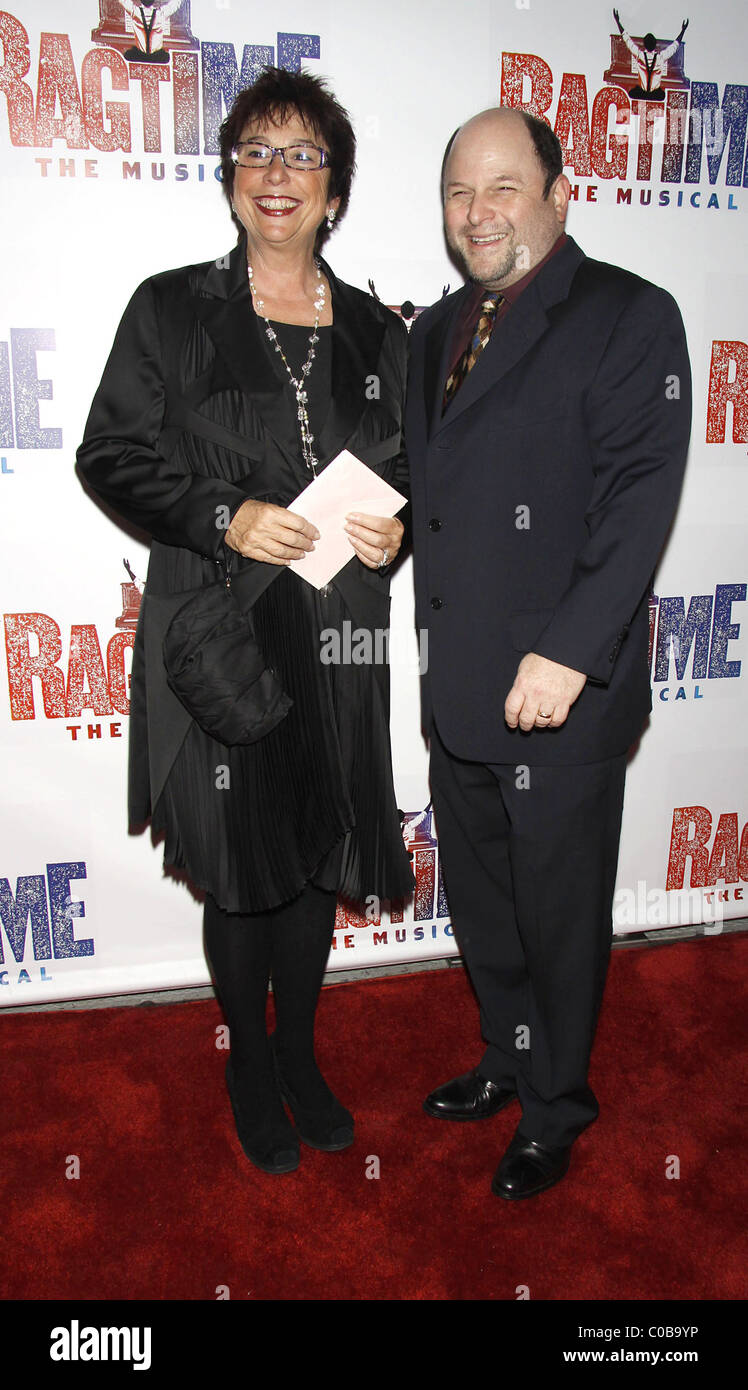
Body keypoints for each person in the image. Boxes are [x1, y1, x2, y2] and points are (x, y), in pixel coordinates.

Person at [77, 67, 414, 1176]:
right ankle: (245, 1062)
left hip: (335, 635)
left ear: (335, 190)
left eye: (303, 156)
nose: (280, 174)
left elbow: (400, 469)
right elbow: (112, 455)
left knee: (315, 855)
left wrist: (387, 536)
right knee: (241, 863)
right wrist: (225, 511)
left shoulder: (375, 329)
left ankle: (301, 1051)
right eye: (258, 152)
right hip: (223, 632)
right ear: (230, 178)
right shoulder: (171, 308)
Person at [405, 107, 691, 1199]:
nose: (476, 214)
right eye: (456, 193)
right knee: (484, 905)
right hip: (460, 686)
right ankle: (505, 1060)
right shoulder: (432, 331)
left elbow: (636, 500)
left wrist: (569, 652)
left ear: (559, 192)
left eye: (501, 188)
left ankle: (556, 1106)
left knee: (557, 913)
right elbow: (434, 499)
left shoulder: (626, 315)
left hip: (560, 693)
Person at [613, 10, 689, 100]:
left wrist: (618, 22)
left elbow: (627, 40)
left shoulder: (639, 55)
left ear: (644, 45)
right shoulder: (660, 57)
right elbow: (674, 46)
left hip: (642, 93)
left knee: (631, 92)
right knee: (662, 95)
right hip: (655, 95)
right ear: (655, 45)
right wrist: (683, 30)